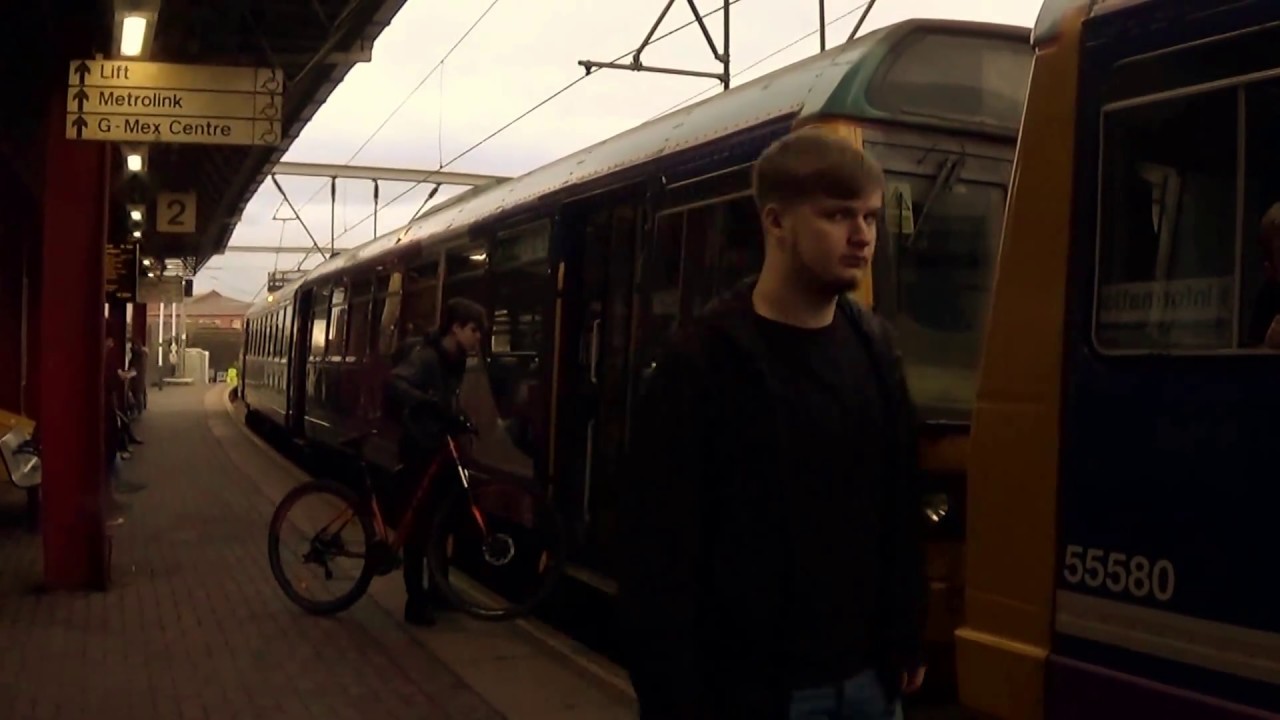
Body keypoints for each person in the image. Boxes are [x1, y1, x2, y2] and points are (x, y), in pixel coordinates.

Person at [618, 126, 929, 719]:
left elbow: (895, 504)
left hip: (867, 682)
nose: (862, 235)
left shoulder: (874, 349)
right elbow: (659, 554)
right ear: (776, 222)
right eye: (838, 216)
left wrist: (906, 632)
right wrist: (674, 696)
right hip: (754, 692)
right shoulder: (703, 363)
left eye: (868, 217)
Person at [385, 297, 487, 627]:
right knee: (419, 525)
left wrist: (459, 419)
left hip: (439, 444)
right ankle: (415, 602)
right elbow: (396, 382)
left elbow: (446, 401)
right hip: (419, 447)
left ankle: (439, 590)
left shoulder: (454, 360)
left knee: (443, 522)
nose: (478, 338)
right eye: (474, 330)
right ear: (455, 328)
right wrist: (426, 403)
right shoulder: (428, 358)